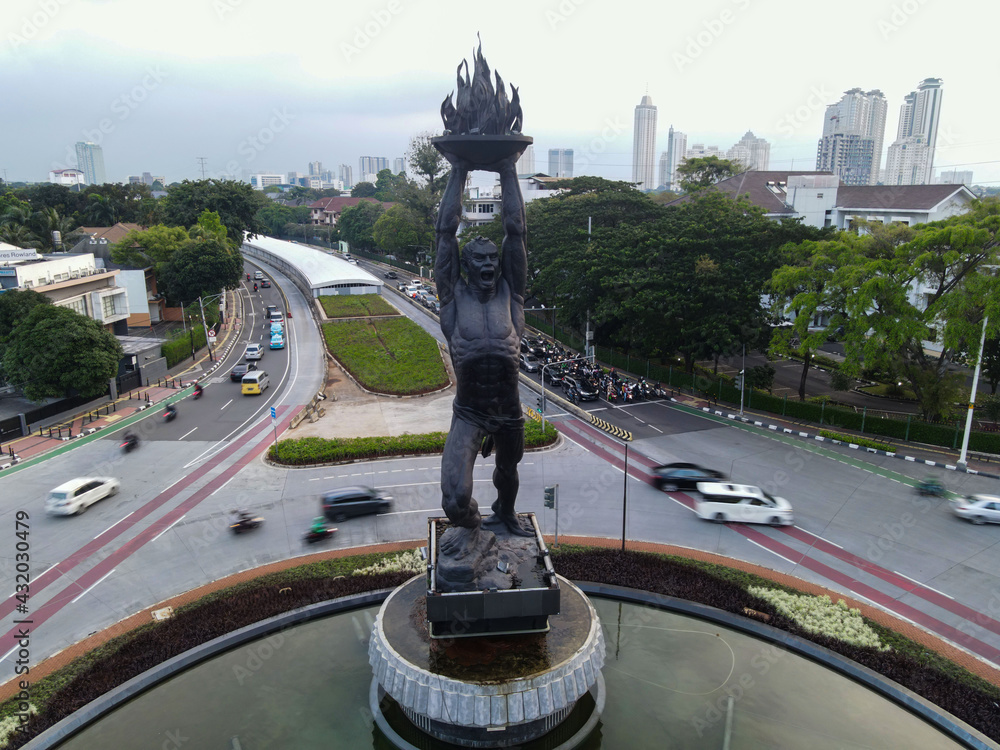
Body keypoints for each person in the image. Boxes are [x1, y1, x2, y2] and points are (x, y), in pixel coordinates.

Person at [435, 152, 532, 561]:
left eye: (493, 259)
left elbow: (516, 230)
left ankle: (504, 514)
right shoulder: (452, 299)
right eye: (480, 260)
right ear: (466, 266)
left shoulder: (512, 294)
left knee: (508, 473)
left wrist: (508, 167)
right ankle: (472, 526)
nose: (490, 264)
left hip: (509, 409)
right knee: (454, 501)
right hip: (470, 412)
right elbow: (444, 233)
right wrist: (458, 170)